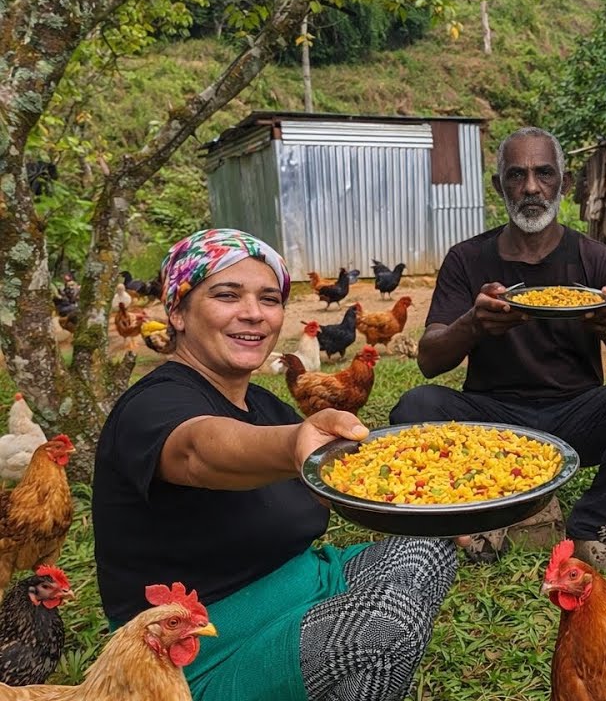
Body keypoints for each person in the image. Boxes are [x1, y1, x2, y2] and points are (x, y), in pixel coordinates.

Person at [92, 229, 458, 701]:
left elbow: (356, 482)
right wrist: (292, 444)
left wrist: (446, 494)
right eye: (226, 295)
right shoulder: (152, 405)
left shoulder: (263, 402)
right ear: (177, 312)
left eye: (269, 298)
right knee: (385, 620)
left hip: (303, 586)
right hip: (196, 649)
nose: (253, 313)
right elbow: (198, 449)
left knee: (431, 545)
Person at [390, 127, 606, 568]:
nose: (530, 187)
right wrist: (473, 322)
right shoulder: (467, 258)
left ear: (563, 184)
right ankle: (479, 511)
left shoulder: (595, 258)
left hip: (578, 415)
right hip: (492, 421)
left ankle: (591, 525)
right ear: (498, 187)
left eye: (544, 174)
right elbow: (429, 361)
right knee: (413, 407)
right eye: (516, 175)